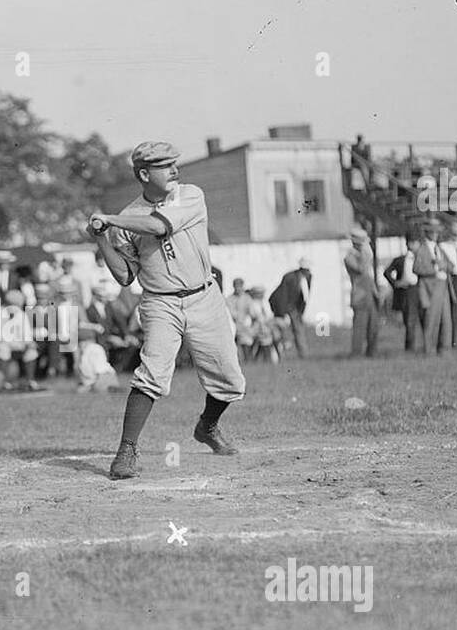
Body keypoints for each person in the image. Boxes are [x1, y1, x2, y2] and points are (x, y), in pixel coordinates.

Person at [86, 140, 246, 480]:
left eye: (175, 163)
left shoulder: (190, 195)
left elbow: (158, 226)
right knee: (153, 372)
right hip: (161, 302)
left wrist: (111, 220)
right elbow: (125, 276)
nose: (175, 169)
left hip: (204, 296)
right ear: (144, 174)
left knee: (230, 380)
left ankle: (207, 426)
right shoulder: (127, 218)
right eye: (164, 166)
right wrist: (102, 238)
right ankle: (127, 449)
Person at [413, 217, 453, 355]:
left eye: (437, 232)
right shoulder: (422, 249)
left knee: (446, 319)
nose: (435, 234)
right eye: (433, 232)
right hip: (431, 287)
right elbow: (417, 268)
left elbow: (451, 265)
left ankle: (445, 349)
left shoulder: (440, 248)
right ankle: (429, 350)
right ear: (427, 233)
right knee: (431, 320)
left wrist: (444, 265)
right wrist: (435, 269)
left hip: (443, 285)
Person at [344, 227, 380, 357]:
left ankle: (372, 352)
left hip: (370, 294)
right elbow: (361, 269)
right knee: (360, 327)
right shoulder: (349, 257)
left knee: (373, 326)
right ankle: (356, 353)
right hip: (360, 295)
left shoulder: (363, 255)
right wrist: (366, 254)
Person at [269, 258, 312, 357]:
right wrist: (283, 312)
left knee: (298, 330)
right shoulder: (289, 277)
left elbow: (305, 296)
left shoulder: (308, 277)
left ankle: (303, 354)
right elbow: (283, 295)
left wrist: (301, 311)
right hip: (285, 307)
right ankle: (283, 356)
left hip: (296, 308)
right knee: (283, 333)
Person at [75, 322, 121, 392]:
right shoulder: (84, 352)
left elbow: (101, 371)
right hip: (96, 381)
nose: (80, 345)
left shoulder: (94, 349)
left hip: (103, 378)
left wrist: (93, 387)